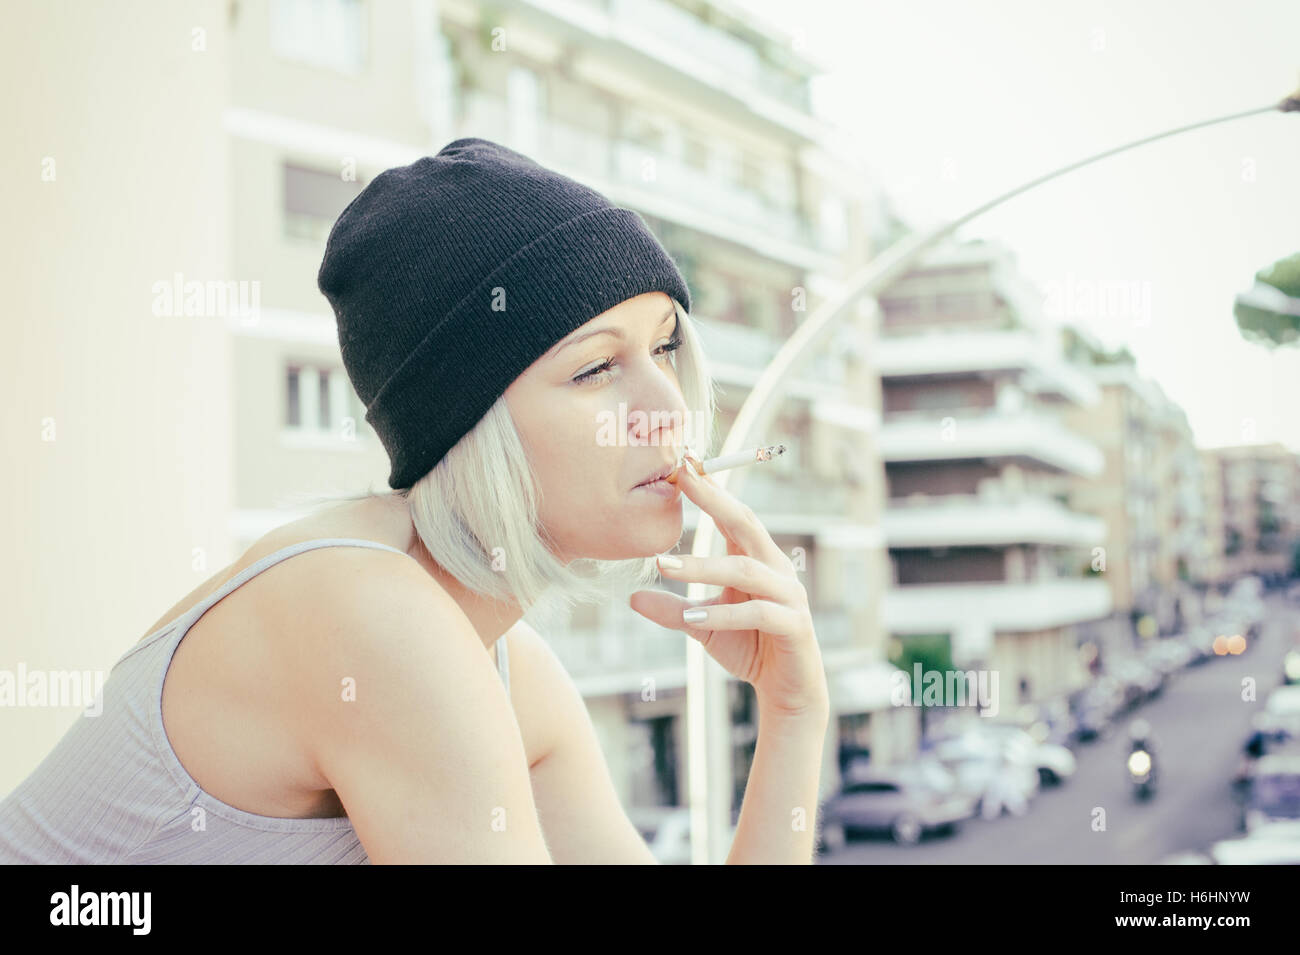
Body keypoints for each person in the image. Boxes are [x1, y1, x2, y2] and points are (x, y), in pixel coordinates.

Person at [0, 138, 829, 865]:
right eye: (594, 368)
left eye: (665, 346)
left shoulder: (508, 670)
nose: (667, 408)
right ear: (467, 422)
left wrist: (792, 713)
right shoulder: (373, 616)